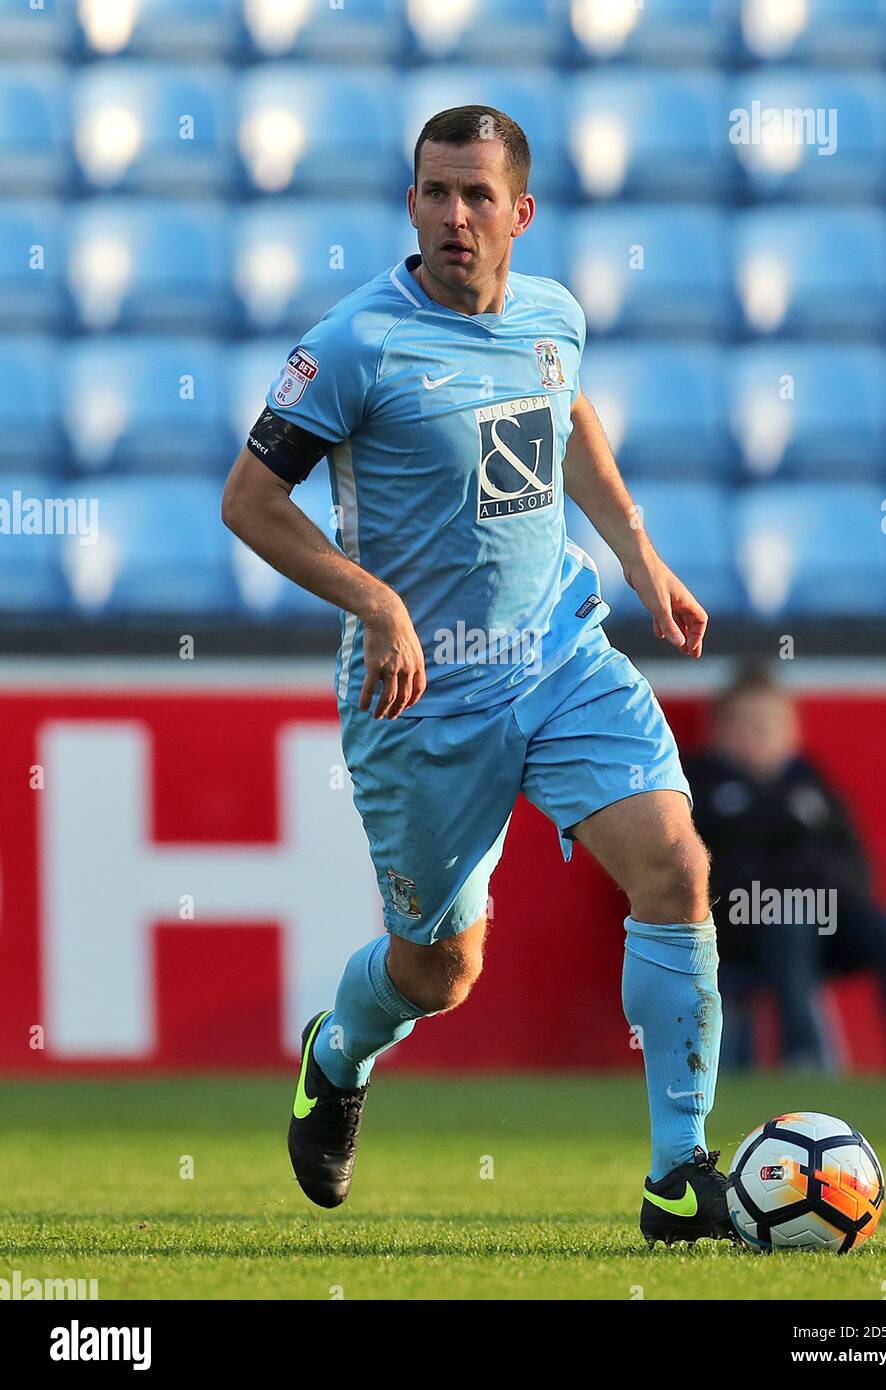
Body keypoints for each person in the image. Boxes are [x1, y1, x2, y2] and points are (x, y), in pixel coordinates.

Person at [222, 106, 731, 1245]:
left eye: (477, 197)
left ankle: (677, 1174)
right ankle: (340, 1050)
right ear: (411, 203)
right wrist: (376, 599)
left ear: (520, 214)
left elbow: (565, 416)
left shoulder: (554, 317)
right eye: (435, 193)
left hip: (556, 653)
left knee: (677, 867)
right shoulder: (355, 345)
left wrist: (637, 553)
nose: (455, 216)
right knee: (441, 969)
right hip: (423, 697)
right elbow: (248, 501)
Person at [685, 667, 886, 1071]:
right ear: (720, 732)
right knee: (788, 921)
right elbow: (711, 872)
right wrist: (789, 886)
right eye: (747, 725)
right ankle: (803, 1056)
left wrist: (818, 889)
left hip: (825, 914)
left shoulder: (809, 780)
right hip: (740, 926)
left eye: (771, 725)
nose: (760, 736)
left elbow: (854, 862)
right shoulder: (701, 785)